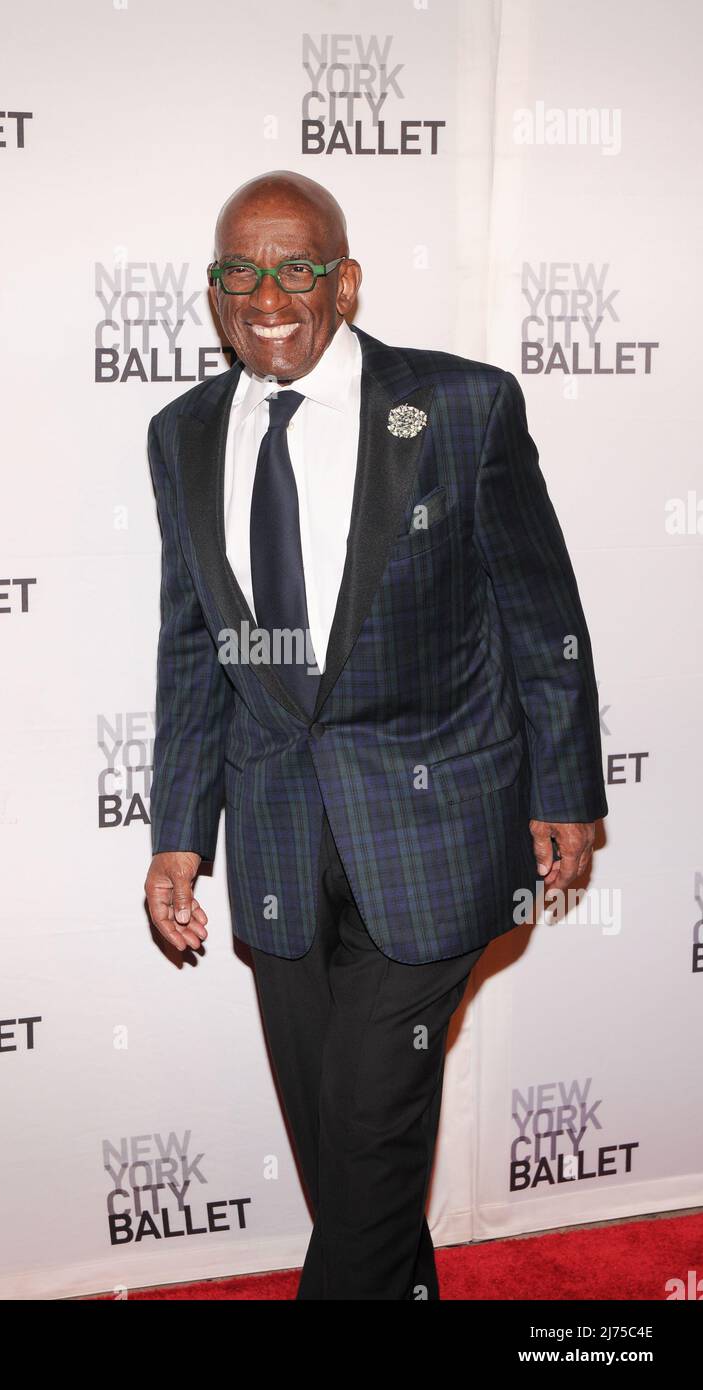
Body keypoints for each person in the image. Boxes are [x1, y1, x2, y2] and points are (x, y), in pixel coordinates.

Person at [143, 170, 607, 1300]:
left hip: (437, 826)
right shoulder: (182, 434)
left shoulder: (457, 407)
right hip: (276, 840)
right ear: (213, 292)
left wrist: (566, 785)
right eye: (239, 272)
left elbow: (537, 609)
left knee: (363, 1135)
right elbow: (196, 644)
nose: (268, 293)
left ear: (343, 282)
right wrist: (176, 833)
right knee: (343, 1149)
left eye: (296, 267)